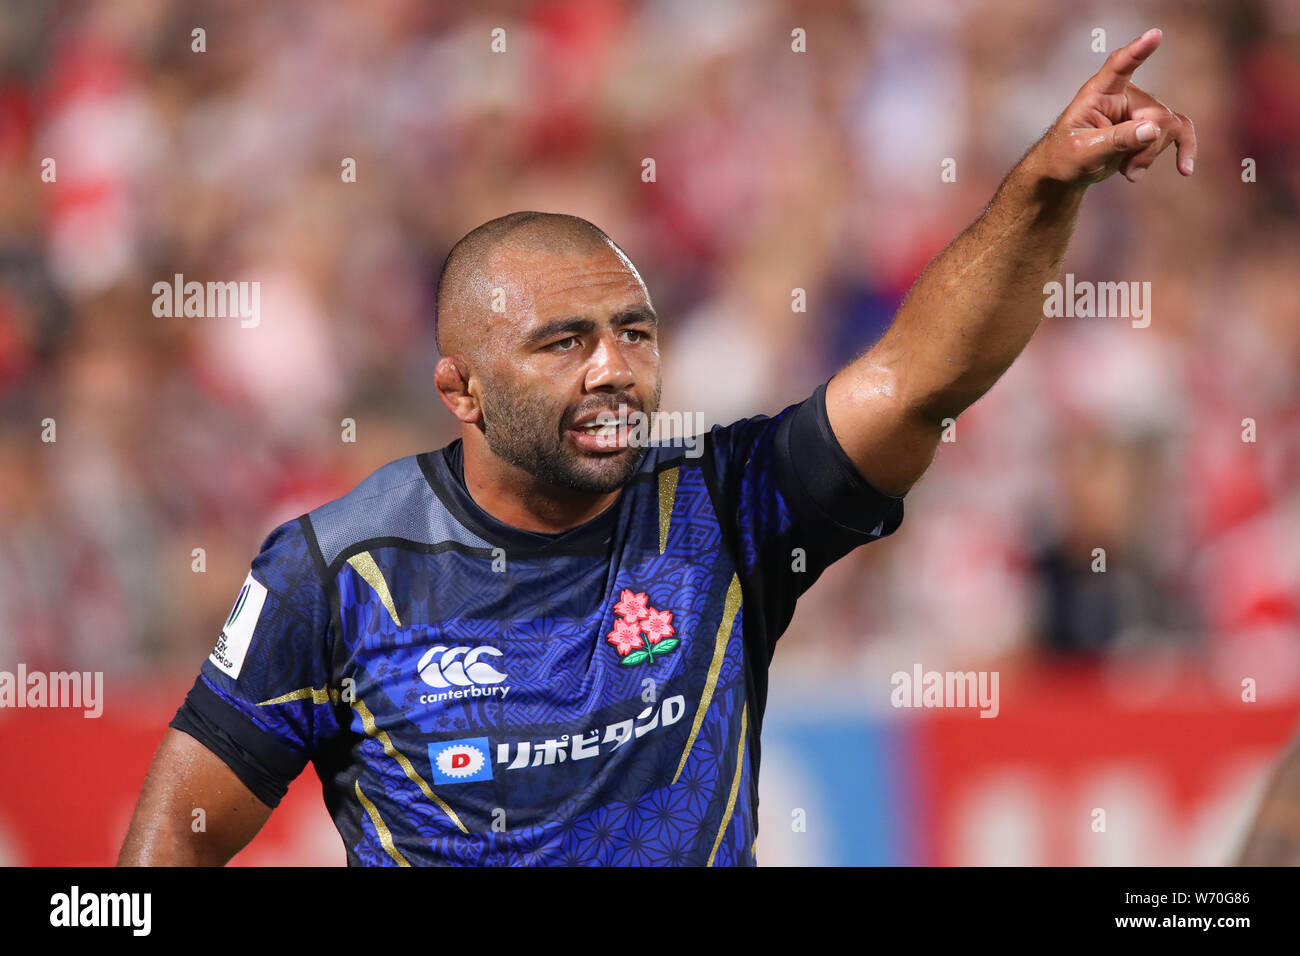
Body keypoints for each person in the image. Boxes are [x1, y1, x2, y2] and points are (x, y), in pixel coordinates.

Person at [119, 29, 1194, 866]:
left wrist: (1048, 182)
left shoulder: (725, 503)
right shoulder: (335, 572)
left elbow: (921, 374)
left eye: (633, 331)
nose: (612, 367)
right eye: (563, 342)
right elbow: (175, 842)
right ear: (462, 391)